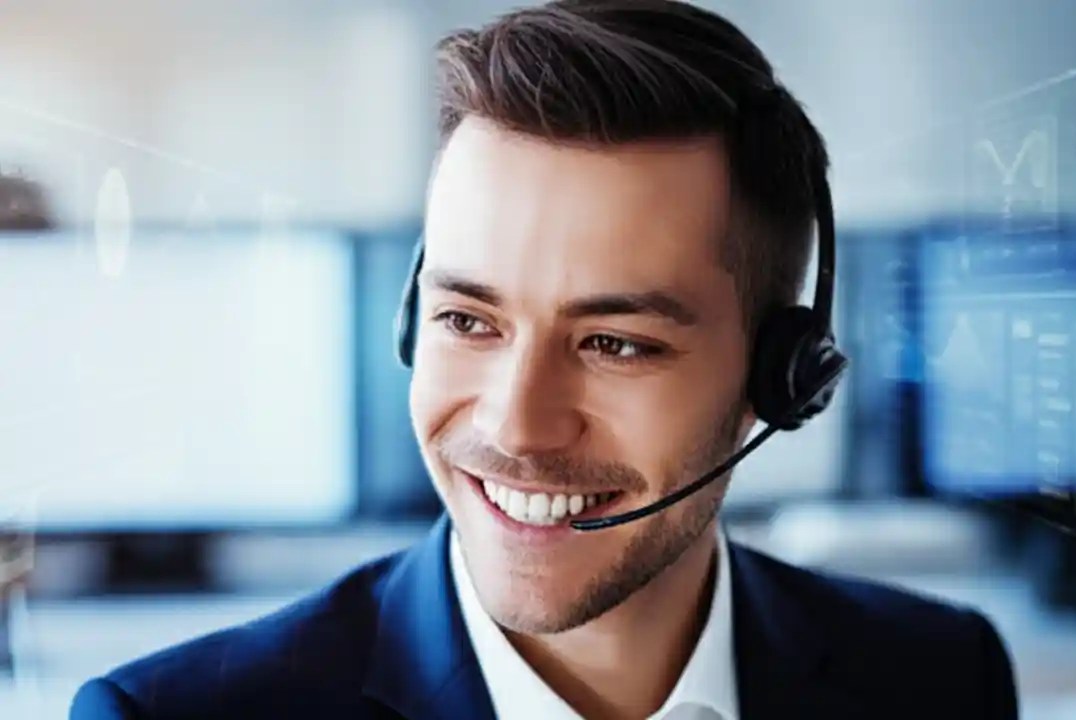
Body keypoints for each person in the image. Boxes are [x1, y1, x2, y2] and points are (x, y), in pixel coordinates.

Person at [71, 1, 1018, 718]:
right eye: (468, 322)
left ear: (780, 376)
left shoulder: (937, 678)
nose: (515, 424)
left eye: (614, 344)